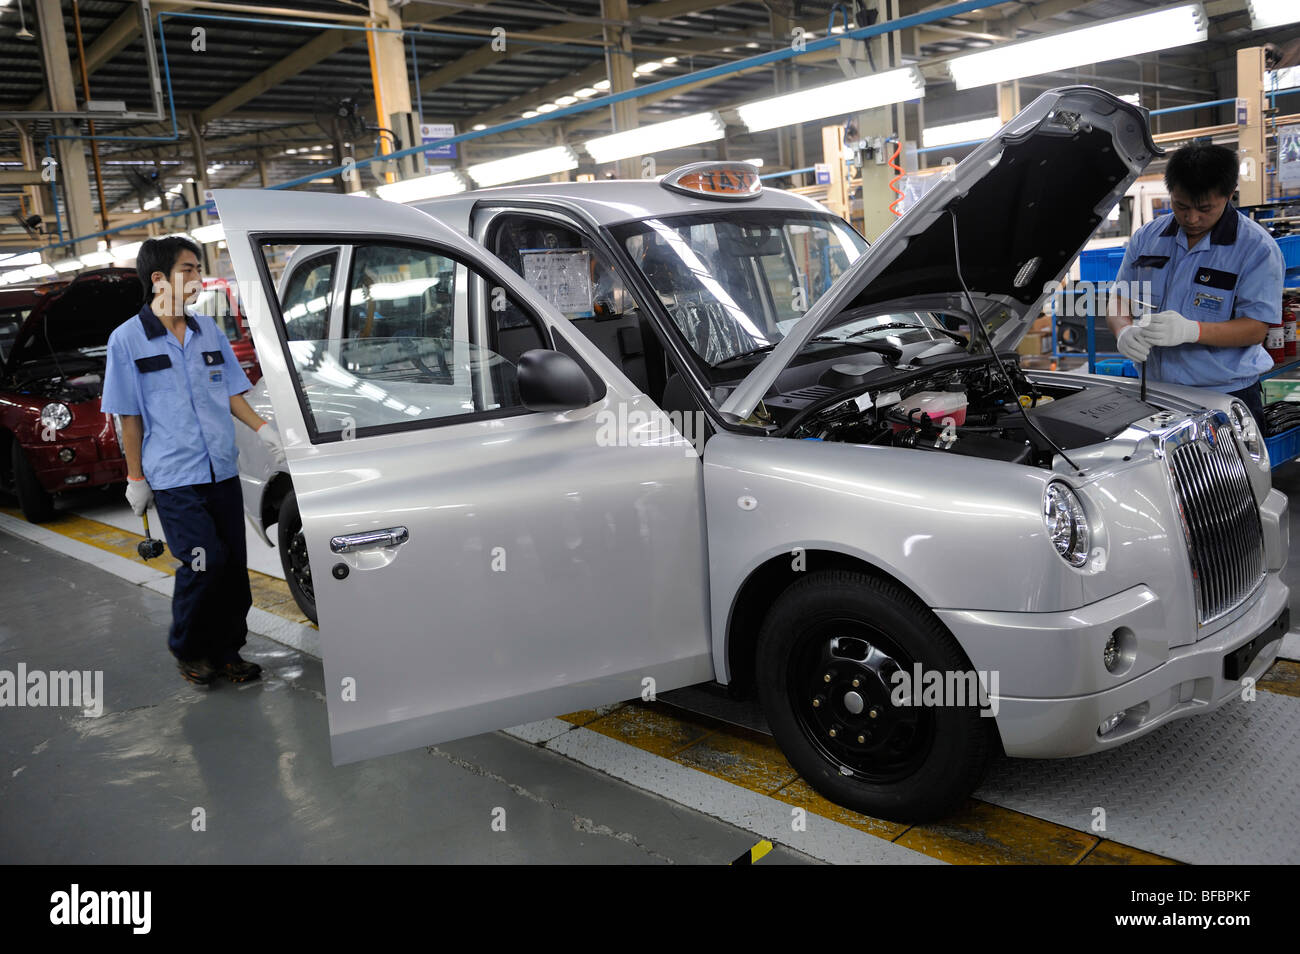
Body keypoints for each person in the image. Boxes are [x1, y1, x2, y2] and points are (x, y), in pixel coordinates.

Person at [101, 237, 287, 686]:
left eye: (198, 269)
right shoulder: (126, 340)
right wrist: (135, 478)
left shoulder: (209, 332)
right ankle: (189, 648)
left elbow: (230, 393)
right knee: (205, 562)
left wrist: (265, 431)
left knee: (233, 570)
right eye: (188, 269)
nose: (197, 279)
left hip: (220, 470)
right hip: (174, 478)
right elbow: (129, 418)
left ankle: (227, 651)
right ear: (159, 279)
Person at [1108, 142, 1284, 424]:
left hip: (1225, 396)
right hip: (1155, 393)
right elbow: (1120, 298)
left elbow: (1255, 328)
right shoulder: (1147, 238)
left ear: (1228, 195)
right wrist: (1123, 331)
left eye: (1205, 208)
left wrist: (1193, 330)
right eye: (1181, 206)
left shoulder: (1256, 248)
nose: (1191, 218)